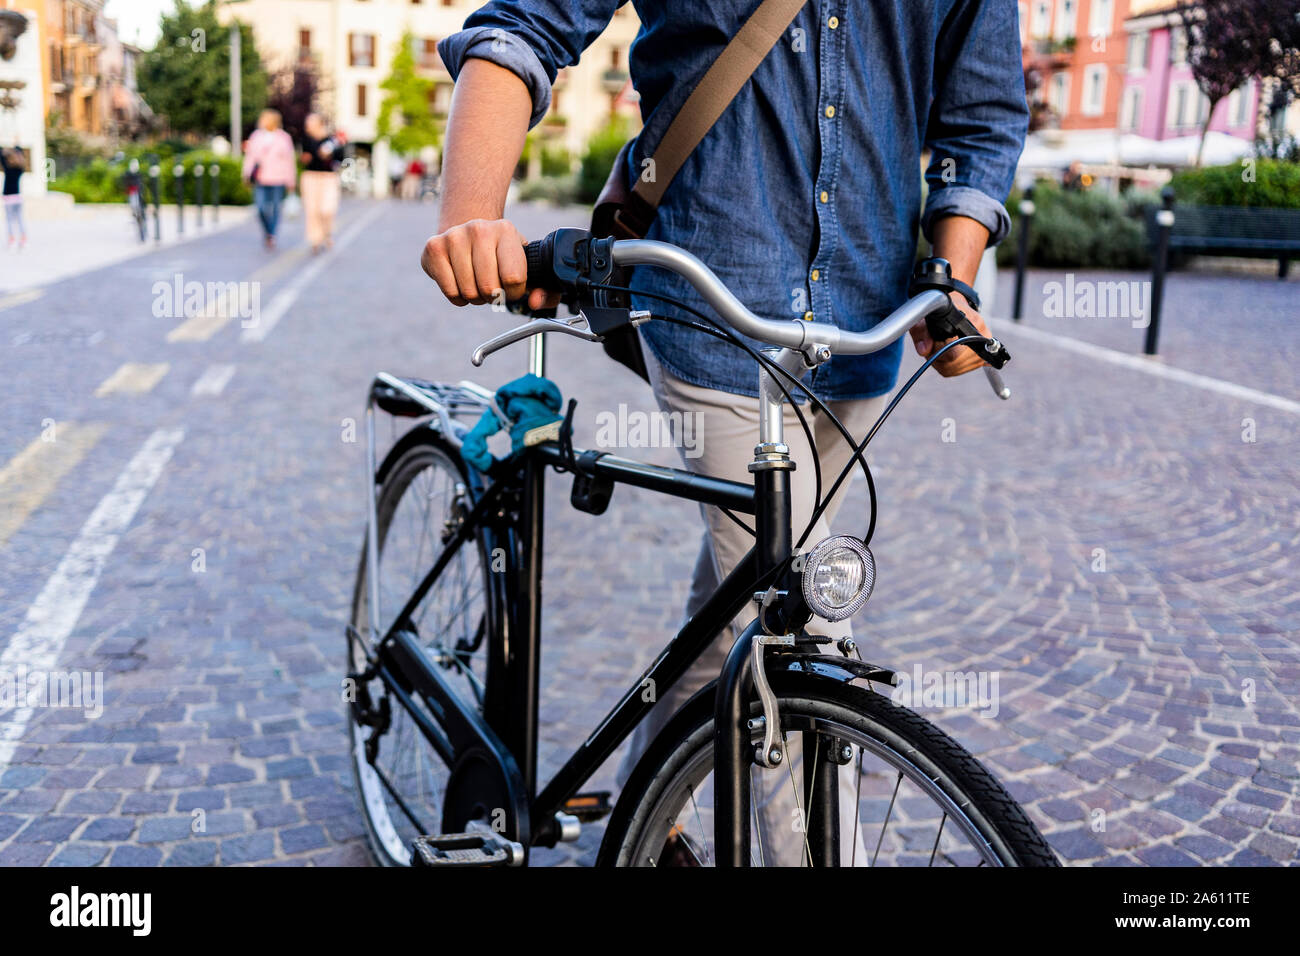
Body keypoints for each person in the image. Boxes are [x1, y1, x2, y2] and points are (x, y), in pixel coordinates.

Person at [422, 0, 1027, 862]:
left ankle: (640, 811)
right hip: (712, 314)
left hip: (864, 330)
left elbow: (983, 113)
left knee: (740, 599)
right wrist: (471, 214)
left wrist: (950, 270)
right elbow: (522, 29)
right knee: (797, 632)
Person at [241, 109, 297, 249]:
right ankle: (268, 232)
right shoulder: (256, 136)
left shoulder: (284, 138)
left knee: (276, 208)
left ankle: (272, 235)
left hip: (278, 179)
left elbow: (289, 160)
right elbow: (250, 158)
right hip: (261, 178)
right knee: (260, 208)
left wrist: (291, 181)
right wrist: (246, 174)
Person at [300, 113, 344, 254]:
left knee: (327, 209)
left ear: (319, 124)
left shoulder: (332, 140)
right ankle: (315, 240)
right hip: (311, 176)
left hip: (328, 177)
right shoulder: (306, 140)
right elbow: (305, 157)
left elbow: (341, 158)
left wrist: (330, 156)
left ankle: (327, 232)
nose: (307, 127)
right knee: (312, 210)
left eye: (310, 123)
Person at [1, 146, 27, 249]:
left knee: (9, 220)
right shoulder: (20, 169)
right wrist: (17, 148)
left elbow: (1, 157)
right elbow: (22, 155)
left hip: (8, 199)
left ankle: (12, 239)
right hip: (18, 198)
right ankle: (23, 238)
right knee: (20, 219)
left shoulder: (7, 169)